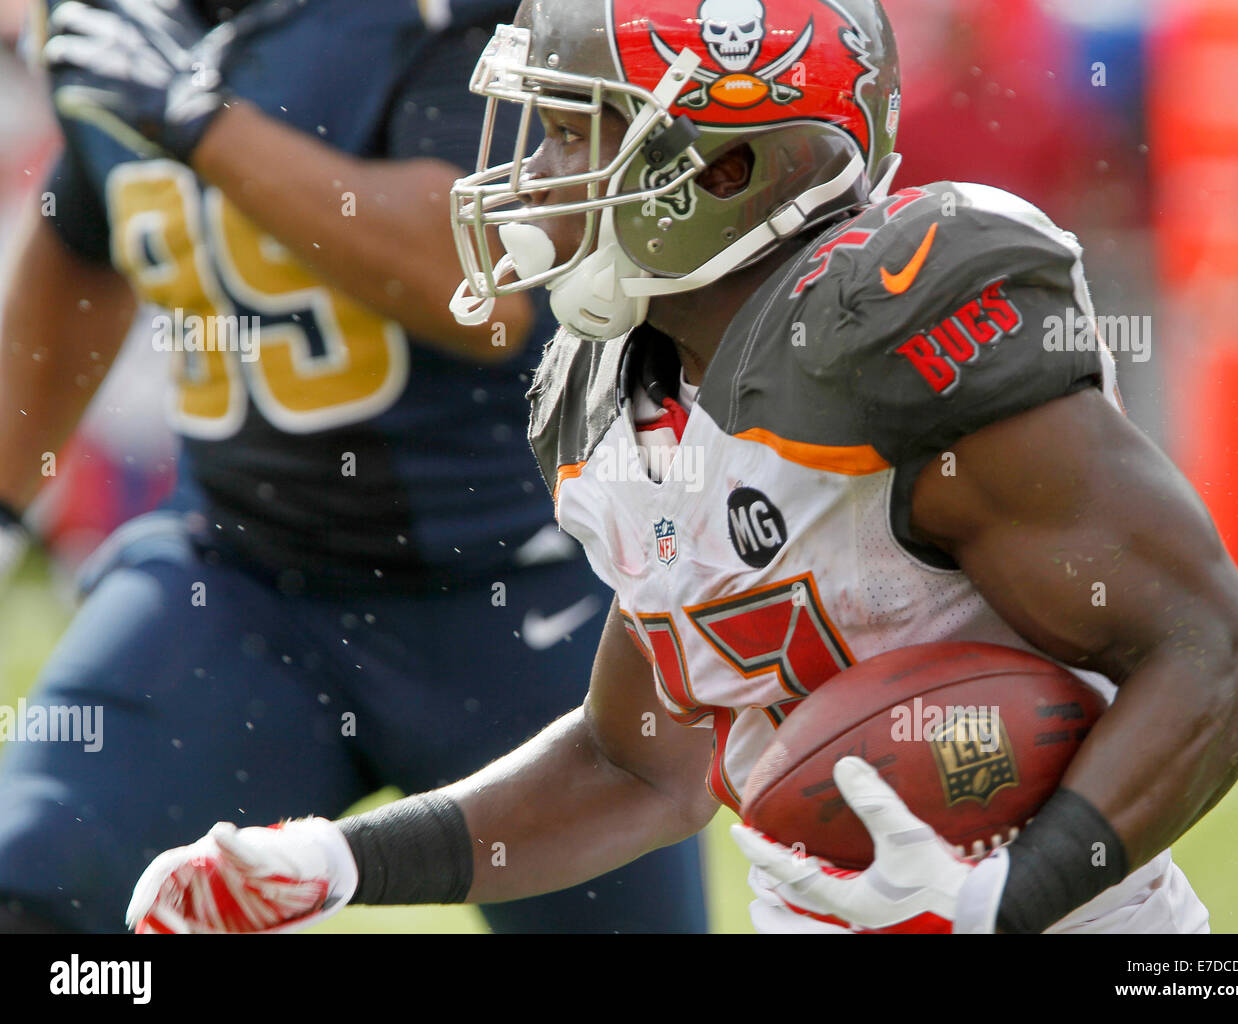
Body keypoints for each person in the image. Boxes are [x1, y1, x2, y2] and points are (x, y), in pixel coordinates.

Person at [128, 0, 1238, 935]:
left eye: (579, 130)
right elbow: (638, 766)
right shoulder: (613, 400)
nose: (534, 171)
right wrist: (336, 862)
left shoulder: (900, 340)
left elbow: (1218, 663)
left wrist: (998, 903)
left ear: (724, 168)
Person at [0, 0, 708, 934]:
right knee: (37, 897)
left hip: (524, 595)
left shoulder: (427, 19)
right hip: (250, 584)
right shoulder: (103, 19)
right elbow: (88, 233)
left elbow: (480, 293)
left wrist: (201, 120)